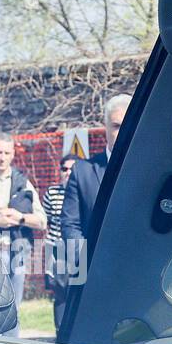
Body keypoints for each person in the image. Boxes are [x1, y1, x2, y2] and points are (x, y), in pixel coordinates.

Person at [0, 133, 46, 335]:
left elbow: (41, 221)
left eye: (6, 152)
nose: (2, 157)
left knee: (13, 310)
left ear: (13, 153)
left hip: (17, 251)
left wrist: (19, 217)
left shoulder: (23, 183)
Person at [61, 93, 131, 261]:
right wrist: (88, 259)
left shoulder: (149, 169)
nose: (121, 132)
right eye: (116, 126)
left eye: (127, 125)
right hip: (93, 270)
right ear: (105, 127)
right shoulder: (82, 172)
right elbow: (70, 224)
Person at [42, 155, 74, 329]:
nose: (68, 173)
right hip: (56, 248)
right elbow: (45, 221)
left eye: (72, 169)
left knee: (76, 291)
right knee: (59, 292)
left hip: (77, 249)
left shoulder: (82, 191)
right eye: (64, 169)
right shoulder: (51, 193)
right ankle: (60, 332)